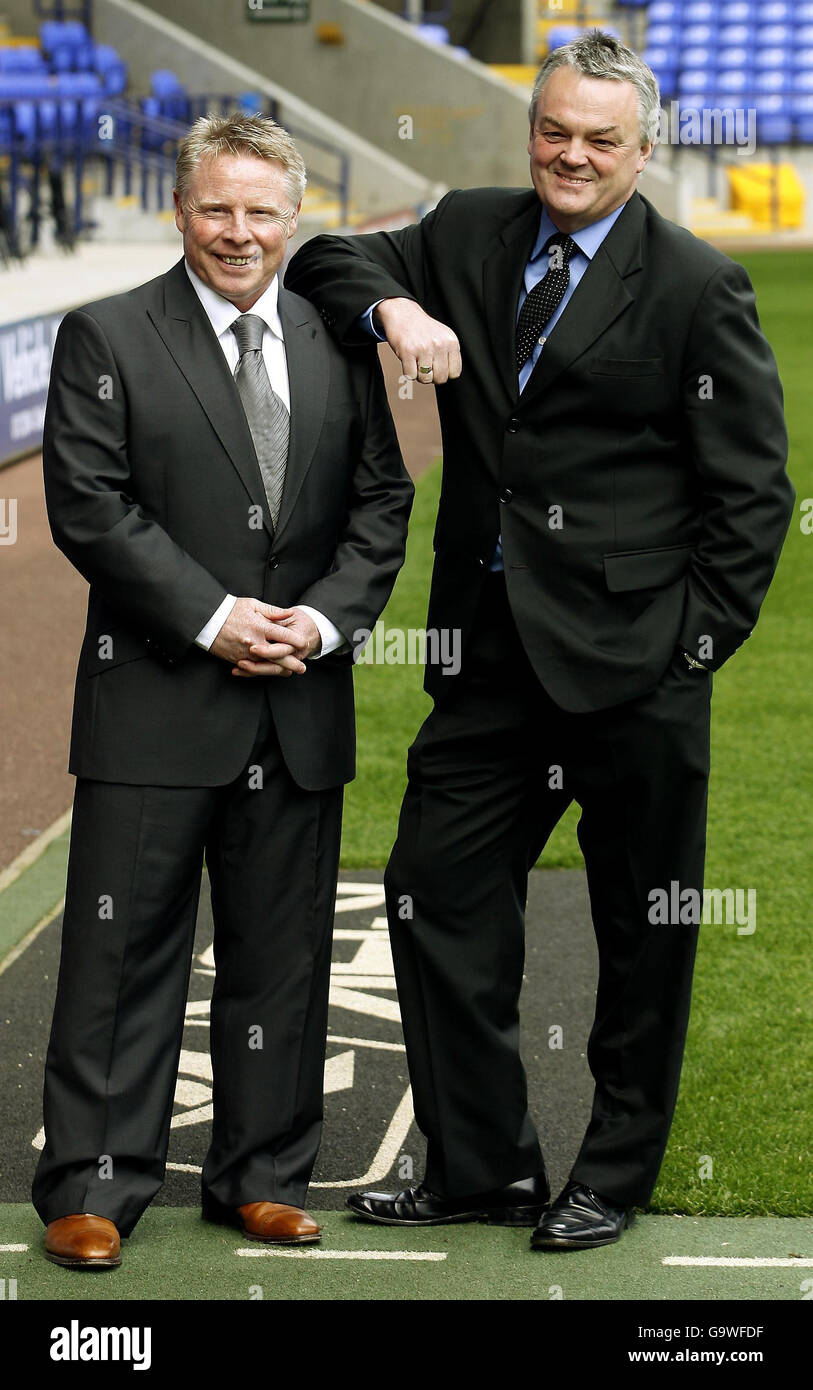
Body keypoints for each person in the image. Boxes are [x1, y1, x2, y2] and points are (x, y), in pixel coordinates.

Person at [285, 31, 794, 1249]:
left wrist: (691, 650)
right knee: (431, 890)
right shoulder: (467, 229)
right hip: (488, 657)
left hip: (636, 668)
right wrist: (399, 309)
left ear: (646, 148)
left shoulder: (695, 285)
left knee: (641, 928)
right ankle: (482, 1167)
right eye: (554, 130)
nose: (571, 154)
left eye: (600, 139)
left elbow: (753, 497)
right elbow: (325, 256)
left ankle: (611, 1173)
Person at [32, 113, 412, 1268]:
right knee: (123, 950)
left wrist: (328, 618)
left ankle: (261, 1173)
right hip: (153, 703)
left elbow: (380, 504)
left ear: (293, 220)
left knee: (280, 951)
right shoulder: (106, 334)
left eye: (260, 212)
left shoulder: (333, 338)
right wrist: (214, 618)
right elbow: (92, 507)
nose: (237, 232)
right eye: (216, 208)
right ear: (180, 209)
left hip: (297, 701)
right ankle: (94, 1185)